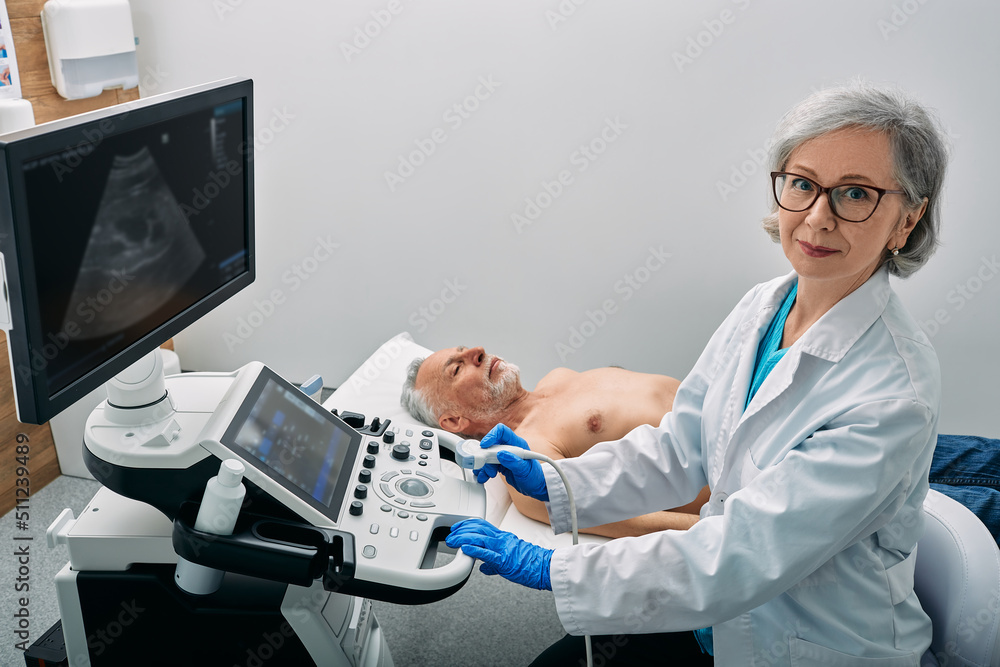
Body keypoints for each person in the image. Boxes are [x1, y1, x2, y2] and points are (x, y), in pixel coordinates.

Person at [445, 81, 950, 666]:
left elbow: (742, 554)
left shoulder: (893, 393)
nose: (817, 217)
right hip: (718, 619)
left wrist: (554, 567)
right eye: (803, 184)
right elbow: (682, 446)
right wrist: (562, 485)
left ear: (906, 221)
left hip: (805, 645)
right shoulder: (765, 306)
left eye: (854, 194)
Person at [401, 349, 710, 536]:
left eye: (466, 349)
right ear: (454, 422)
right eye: (458, 368)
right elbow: (635, 524)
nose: (477, 351)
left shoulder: (558, 376)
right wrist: (727, 531)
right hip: (736, 480)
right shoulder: (528, 463)